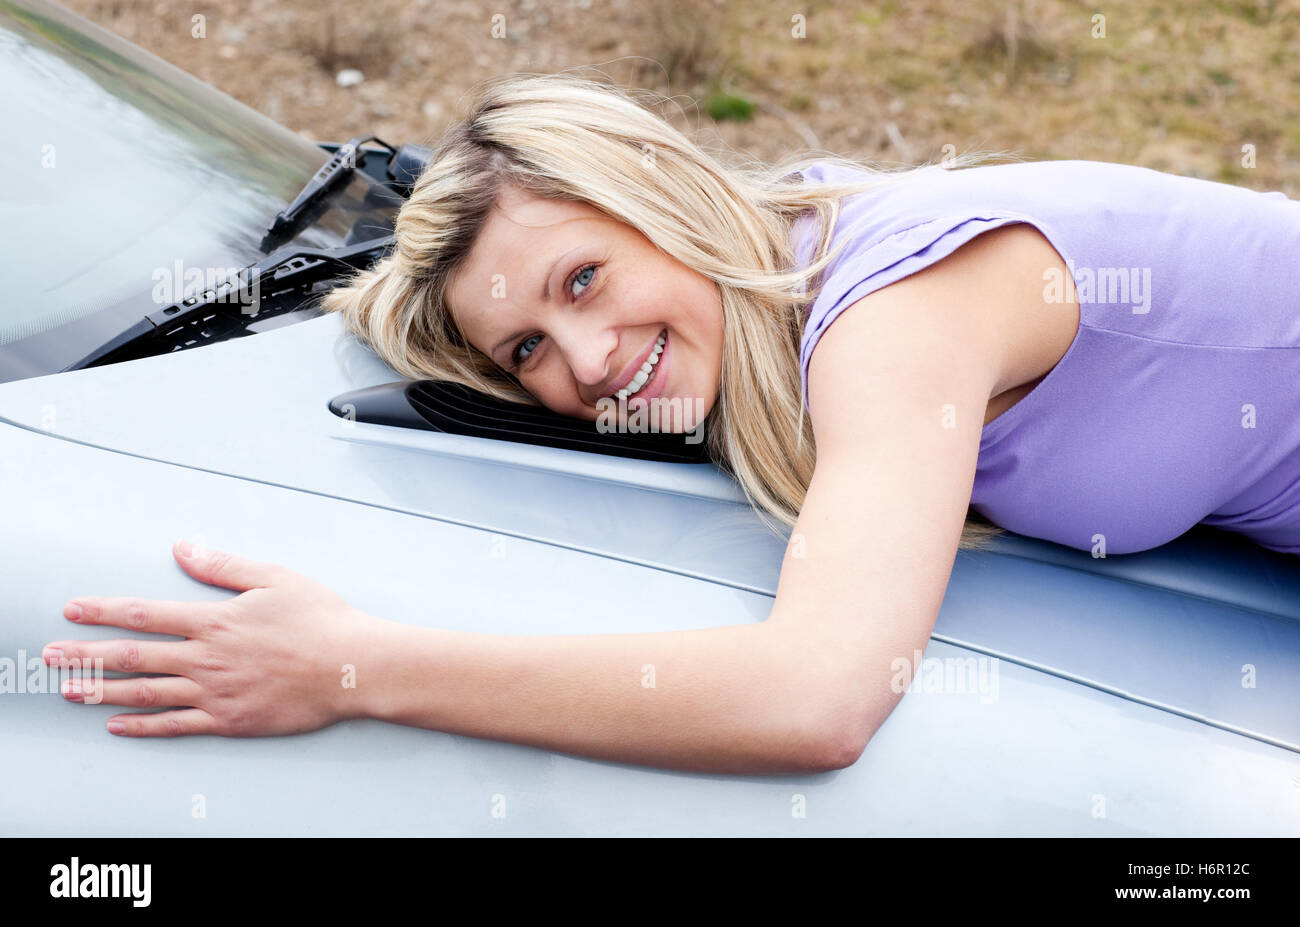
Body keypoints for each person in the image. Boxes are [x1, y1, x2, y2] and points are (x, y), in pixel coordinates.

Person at [42, 72, 1300, 772]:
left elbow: (815, 700)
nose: (587, 361)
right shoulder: (785, 267)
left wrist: (353, 667)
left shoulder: (892, 319)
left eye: (584, 278)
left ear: (665, 199)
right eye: (526, 350)